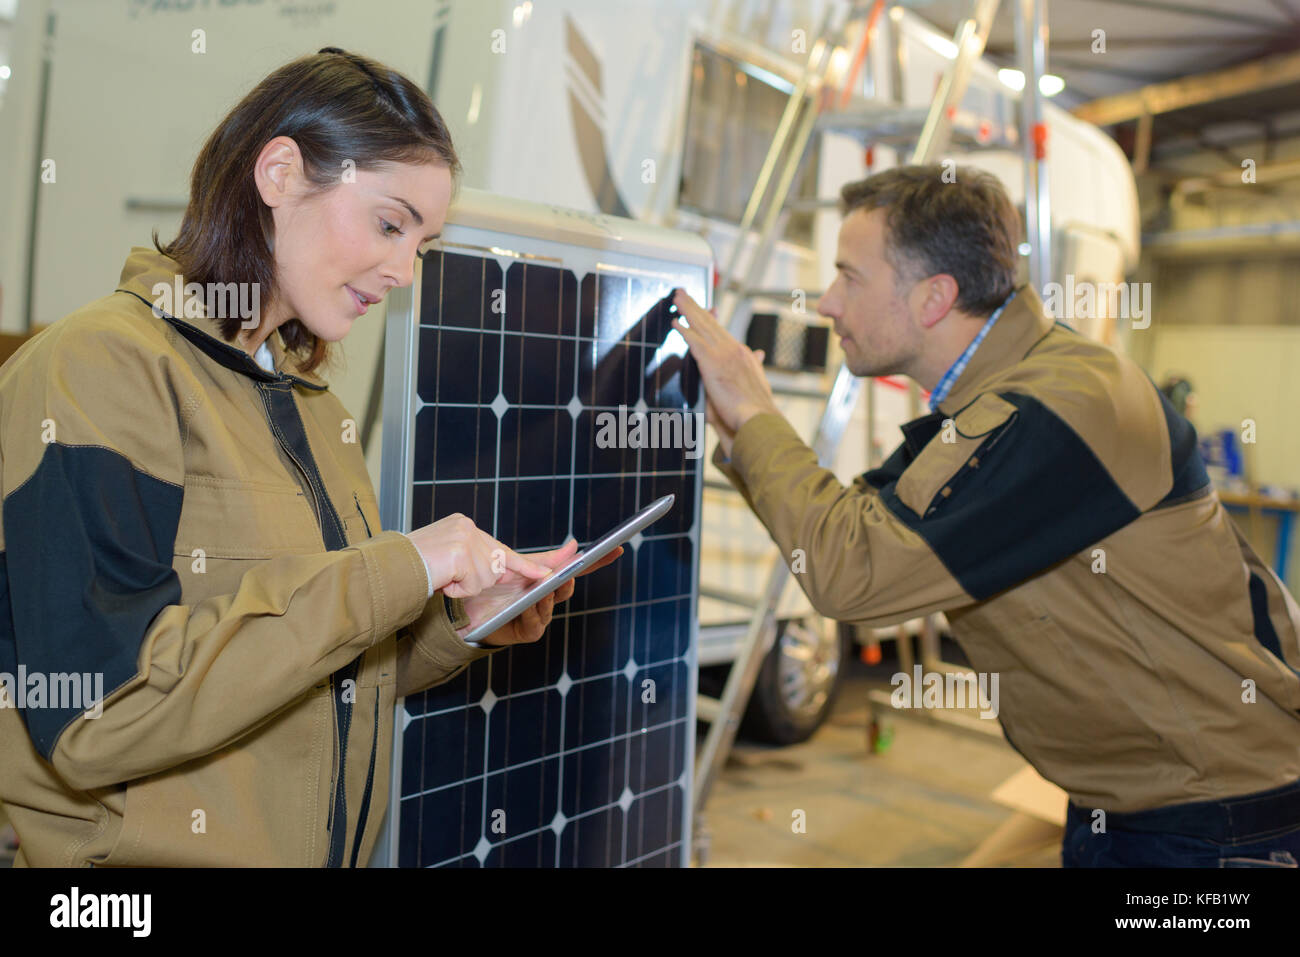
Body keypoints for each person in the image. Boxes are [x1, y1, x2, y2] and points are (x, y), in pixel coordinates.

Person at [0, 48, 619, 867]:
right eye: (390, 223)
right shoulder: (100, 368)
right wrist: (402, 564)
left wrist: (458, 622)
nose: (404, 271)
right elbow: (102, 712)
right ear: (281, 172)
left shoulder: (312, 409)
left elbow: (308, 671)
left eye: (422, 244)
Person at [672, 164, 1300, 868]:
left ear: (935, 297)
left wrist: (757, 415)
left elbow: (850, 574)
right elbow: (851, 525)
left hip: (1216, 827)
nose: (826, 304)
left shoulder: (1062, 405)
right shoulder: (997, 399)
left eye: (850, 277)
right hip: (1141, 808)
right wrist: (741, 434)